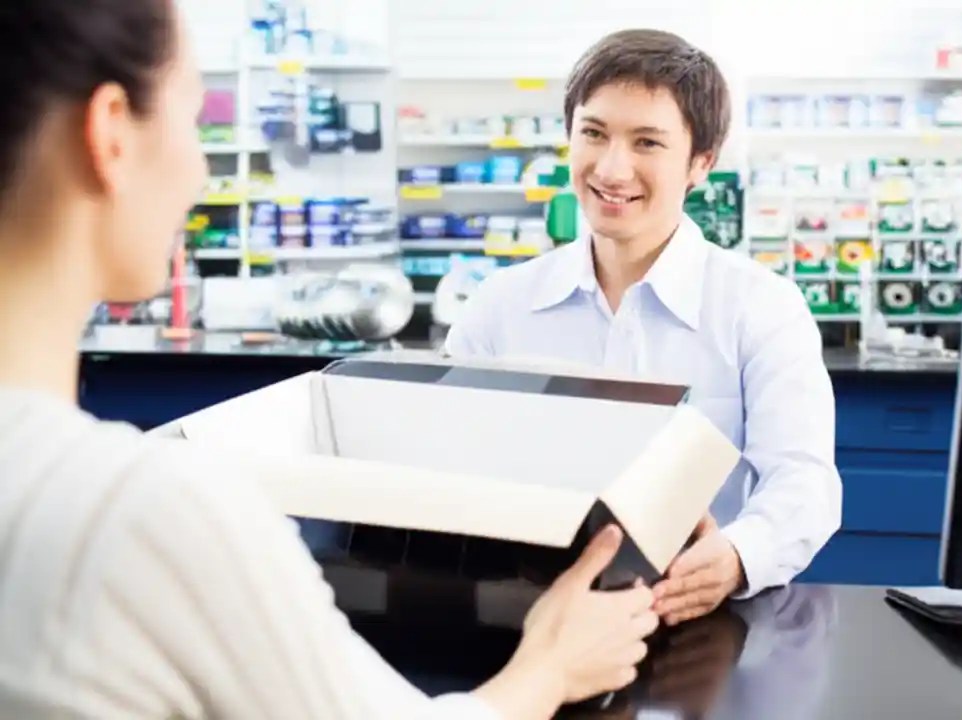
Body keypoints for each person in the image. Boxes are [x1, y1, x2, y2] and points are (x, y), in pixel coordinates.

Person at [0, 2, 657, 718]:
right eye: (191, 118)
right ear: (111, 135)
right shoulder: (142, 516)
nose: (195, 171)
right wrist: (550, 669)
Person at [445, 29, 842, 625]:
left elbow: (804, 482)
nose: (612, 168)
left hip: (695, 624)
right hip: (526, 620)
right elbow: (445, 465)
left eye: (648, 142)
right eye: (594, 133)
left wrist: (737, 554)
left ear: (700, 163)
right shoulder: (499, 308)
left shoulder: (761, 308)